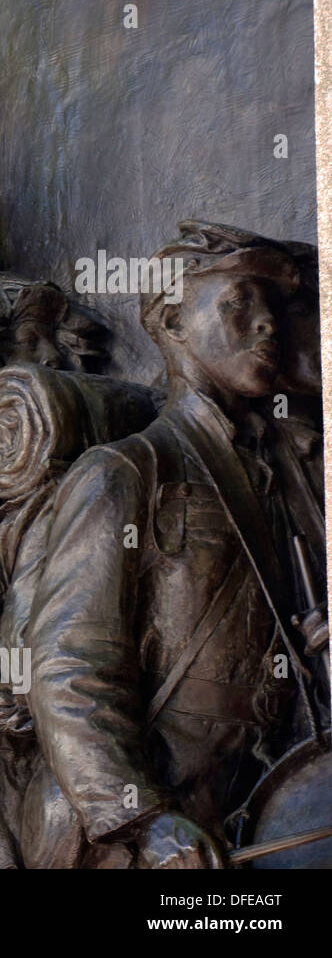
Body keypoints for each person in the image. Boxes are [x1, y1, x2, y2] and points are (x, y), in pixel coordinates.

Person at [23, 221, 324, 867]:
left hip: (268, 804)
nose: (266, 323)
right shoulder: (127, 471)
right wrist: (145, 819)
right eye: (240, 302)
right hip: (166, 824)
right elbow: (70, 666)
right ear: (172, 322)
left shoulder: (289, 467)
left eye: (273, 307)